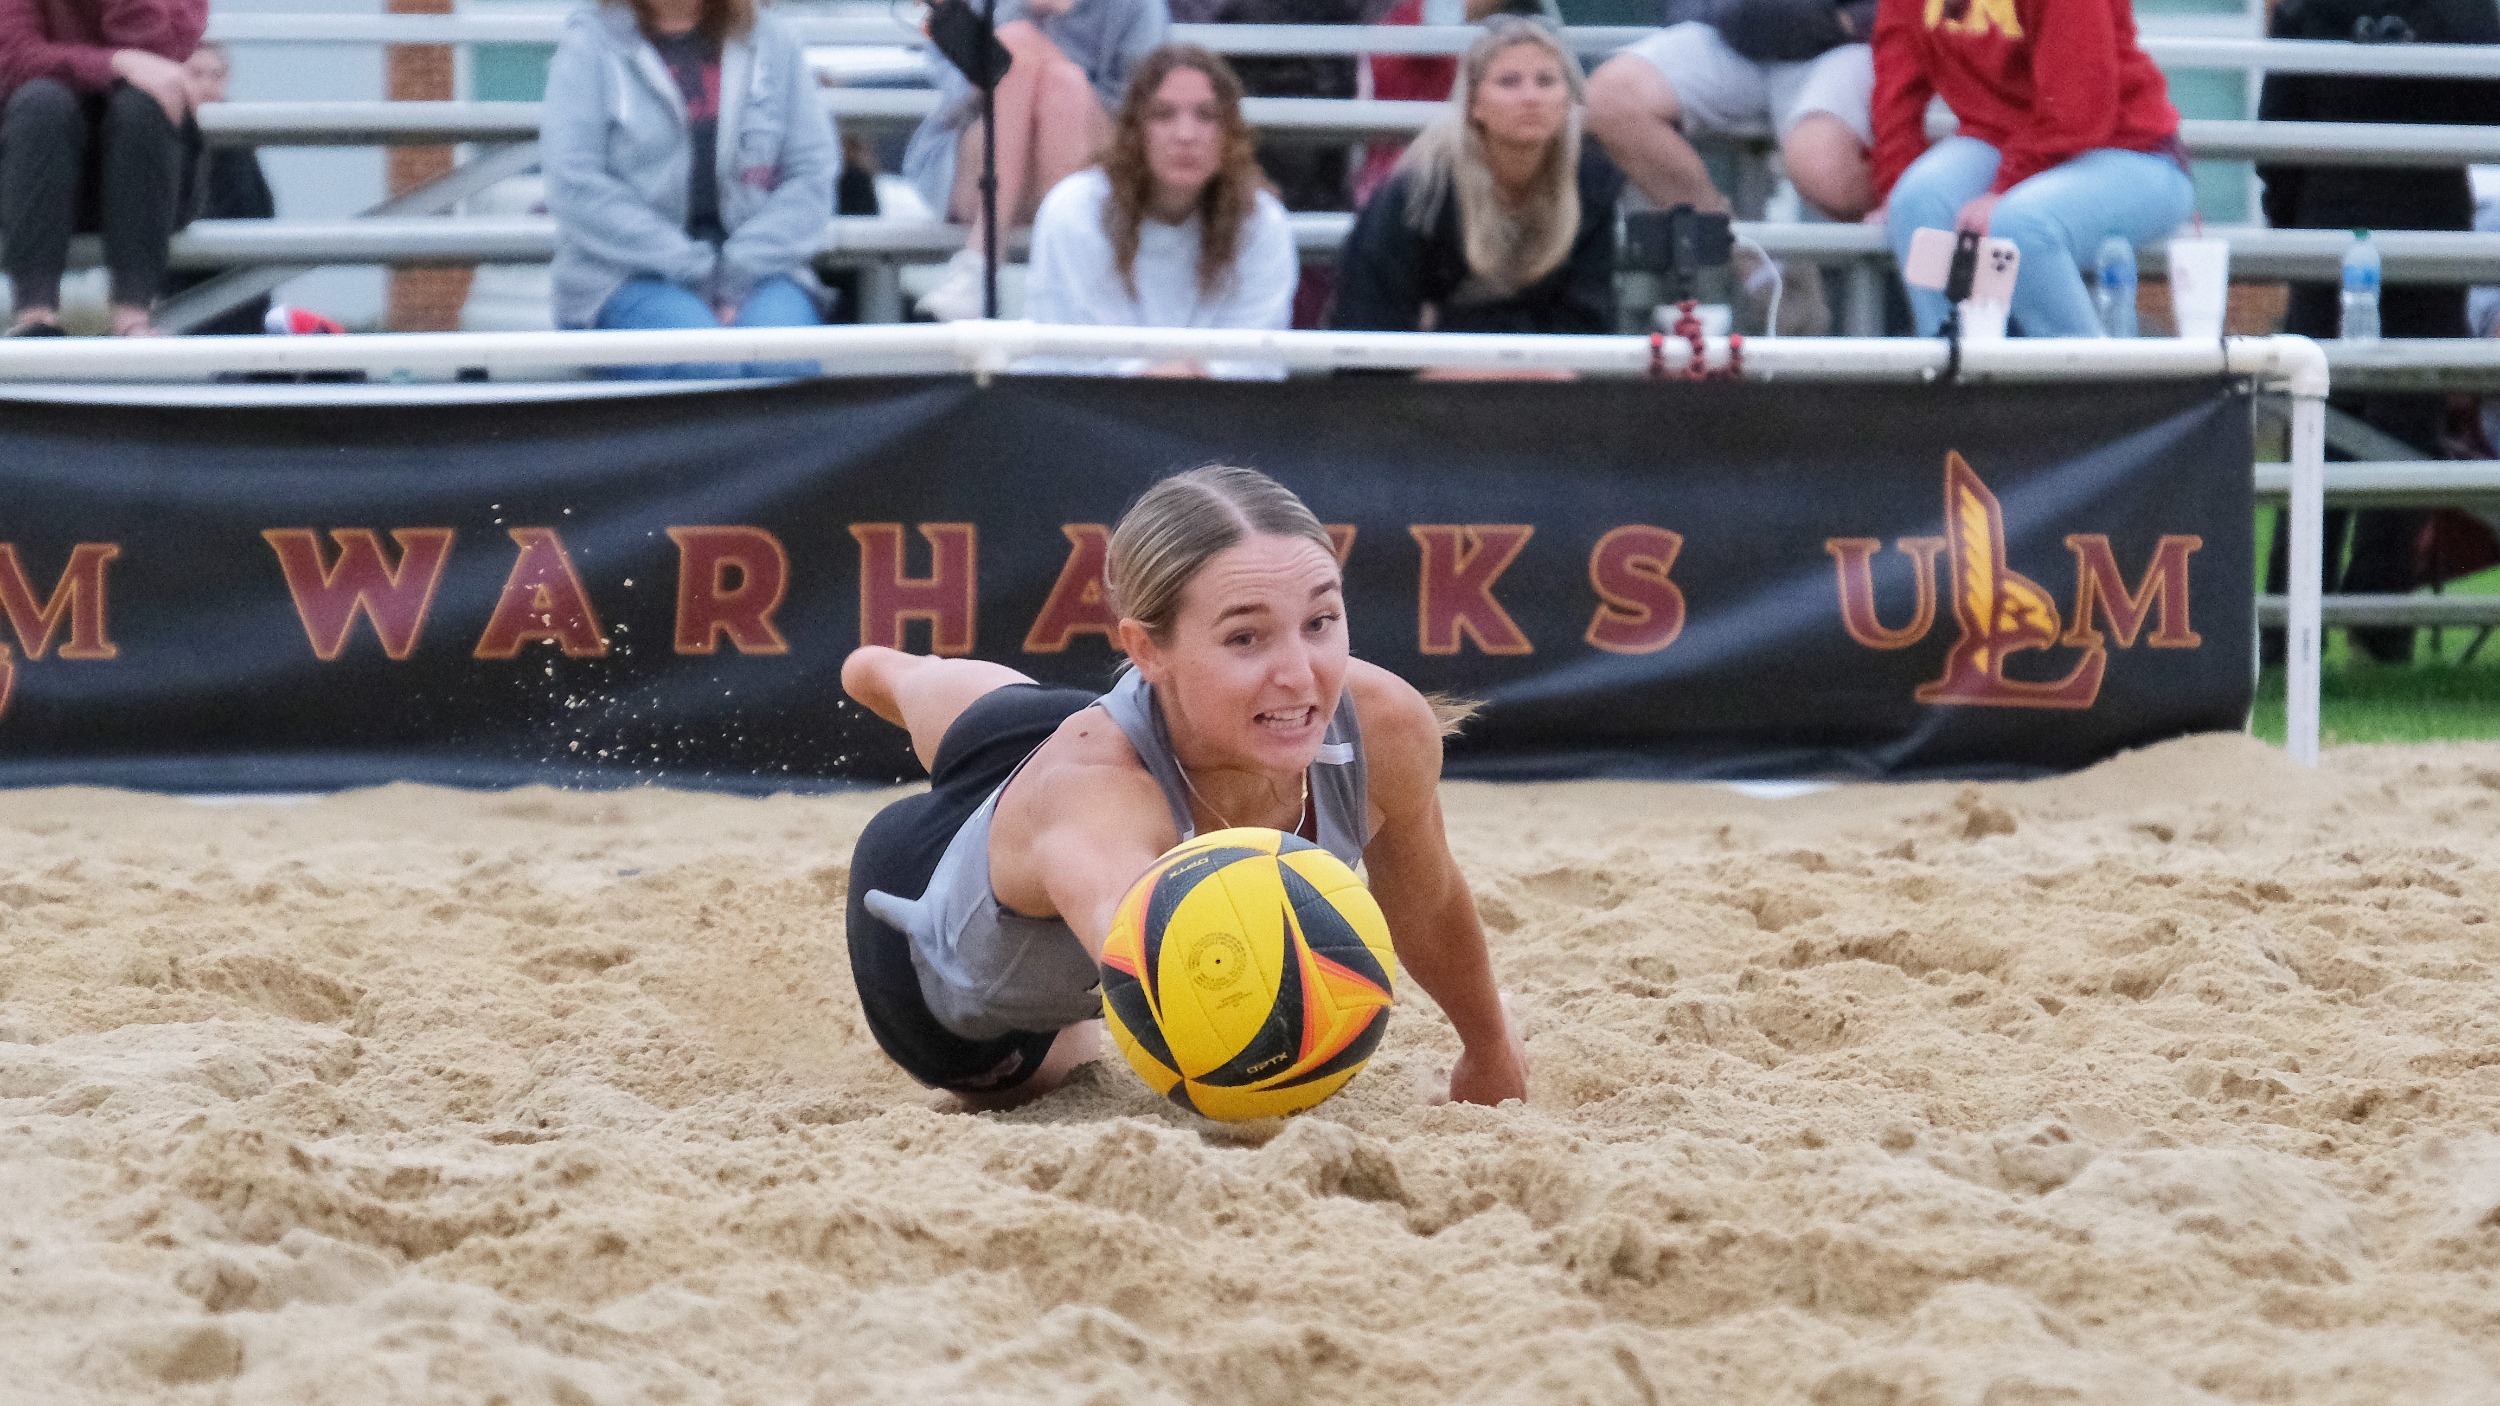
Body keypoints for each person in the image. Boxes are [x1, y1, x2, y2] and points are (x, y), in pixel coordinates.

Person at [838, 465, 1529, 1112]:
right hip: (934, 945)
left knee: (1003, 712)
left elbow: (1428, 898)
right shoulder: (1094, 797)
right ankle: (878, 670)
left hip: (1067, 738)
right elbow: (1174, 1006)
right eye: (1246, 638)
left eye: (1319, 622)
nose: (1300, 674)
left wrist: (1490, 1048)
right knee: (1057, 1061)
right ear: (1146, 651)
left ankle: (884, 673)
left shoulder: (1385, 723)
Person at [2256, 0, 2500, 664]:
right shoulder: (2459, 10)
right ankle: (2372, 619)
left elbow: (2277, 134)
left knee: (2321, 422)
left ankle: (2287, 624)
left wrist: (2293, 224)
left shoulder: (2308, 9)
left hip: (2340, 227)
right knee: (2398, 424)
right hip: (2426, 231)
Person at [541, 0, 838, 378]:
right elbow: (575, 182)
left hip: (763, 271)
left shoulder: (775, 41)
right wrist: (693, 268)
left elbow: (811, 175)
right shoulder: (590, 45)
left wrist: (736, 271)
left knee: (782, 361)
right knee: (704, 363)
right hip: (624, 276)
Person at [1868, 0, 2193, 338]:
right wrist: (1894, 179)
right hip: (2006, 143)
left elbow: (2078, 107)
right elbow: (1896, 87)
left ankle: (2088, 383)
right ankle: (1965, 367)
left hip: (2131, 152)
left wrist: (2003, 188)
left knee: (2018, 226)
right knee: (1918, 203)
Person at [1585, 0, 1876, 334]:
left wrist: (1850, 21)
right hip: (1732, 34)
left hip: (1846, 44)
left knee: (1828, 172)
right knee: (1608, 98)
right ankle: (1748, 262)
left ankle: (1859, 325)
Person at [1330, 18, 1623, 338]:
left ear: (1568, 101)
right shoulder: (1420, 191)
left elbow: (1588, 326)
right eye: (1509, 82)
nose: (1530, 97)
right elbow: (1369, 321)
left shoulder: (1592, 186)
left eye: (1546, 81)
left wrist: (1451, 325)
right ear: (1473, 104)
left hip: (1549, 379)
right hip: (1422, 382)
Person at [1021, 44, 1297, 377]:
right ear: (1135, 133)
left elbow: (1256, 360)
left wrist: (1194, 378)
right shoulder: (1075, 211)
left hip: (1215, 418)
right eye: (1163, 115)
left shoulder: (1261, 223)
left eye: (1206, 116)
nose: (1186, 135)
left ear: (1229, 134)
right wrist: (1157, 380)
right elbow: (1071, 355)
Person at [903, 0, 1171, 321]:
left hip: (1091, 163)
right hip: (979, 164)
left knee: (1063, 86)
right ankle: (1079, 283)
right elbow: (956, 94)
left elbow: (1142, 114)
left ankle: (978, 263)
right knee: (1016, 43)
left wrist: (1049, 62)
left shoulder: (1139, 7)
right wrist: (1017, 18)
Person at [0, 0, 207, 337]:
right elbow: (14, 62)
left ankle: (133, 317)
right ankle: (35, 317)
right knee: (41, 101)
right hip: (33, 176)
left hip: (149, 180)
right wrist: (115, 62)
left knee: (141, 103)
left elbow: (159, 62)